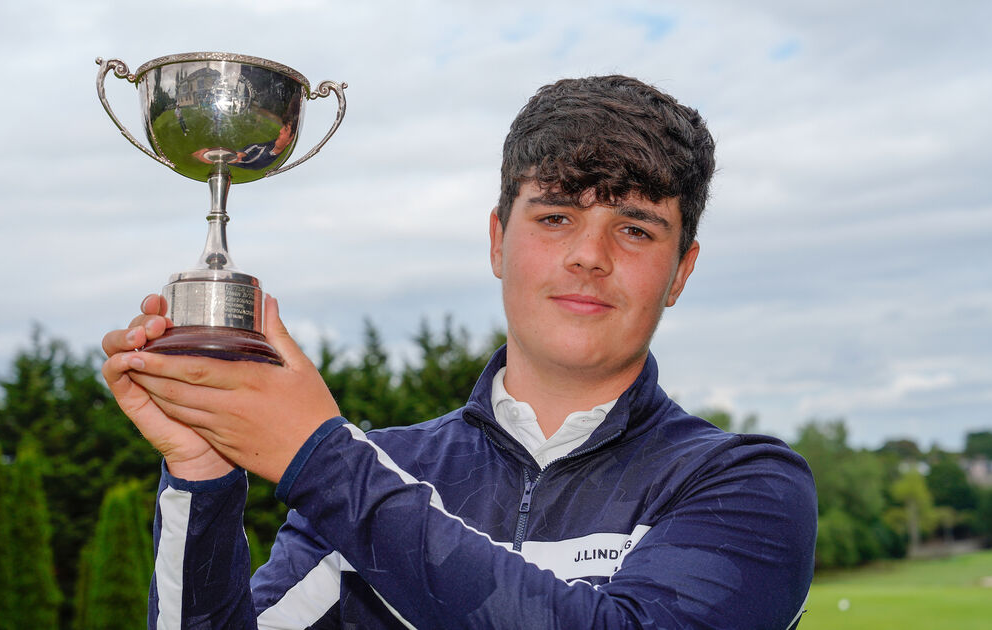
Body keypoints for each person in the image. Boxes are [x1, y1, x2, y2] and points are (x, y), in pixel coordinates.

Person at [102, 75, 817, 629]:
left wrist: (316, 456)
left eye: (634, 229)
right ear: (497, 241)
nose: (588, 257)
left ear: (681, 271)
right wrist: (203, 476)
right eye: (556, 216)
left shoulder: (746, 485)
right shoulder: (385, 472)